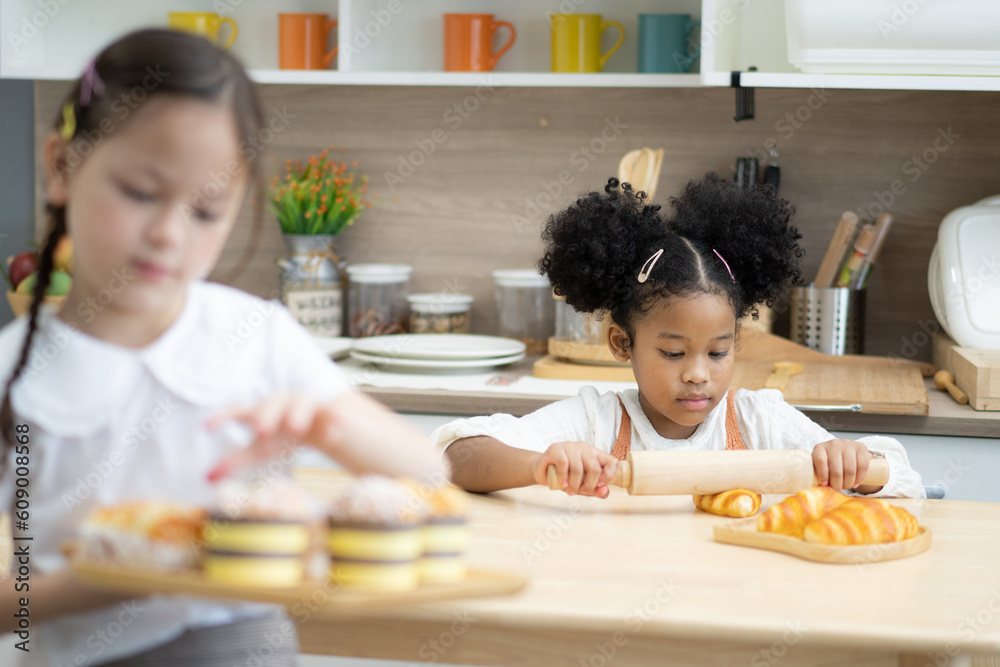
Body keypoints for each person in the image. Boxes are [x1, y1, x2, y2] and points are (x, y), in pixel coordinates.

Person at [0, 29, 446, 666]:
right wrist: (87, 587)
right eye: (139, 192)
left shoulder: (255, 336)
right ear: (62, 166)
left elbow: (428, 473)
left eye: (206, 210)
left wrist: (328, 427)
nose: (167, 233)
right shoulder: (17, 377)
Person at [435, 175, 923, 500]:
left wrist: (854, 461)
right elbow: (458, 456)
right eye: (672, 352)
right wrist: (539, 464)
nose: (698, 374)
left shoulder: (759, 422)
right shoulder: (597, 421)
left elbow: (905, 480)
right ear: (621, 344)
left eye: (718, 352)